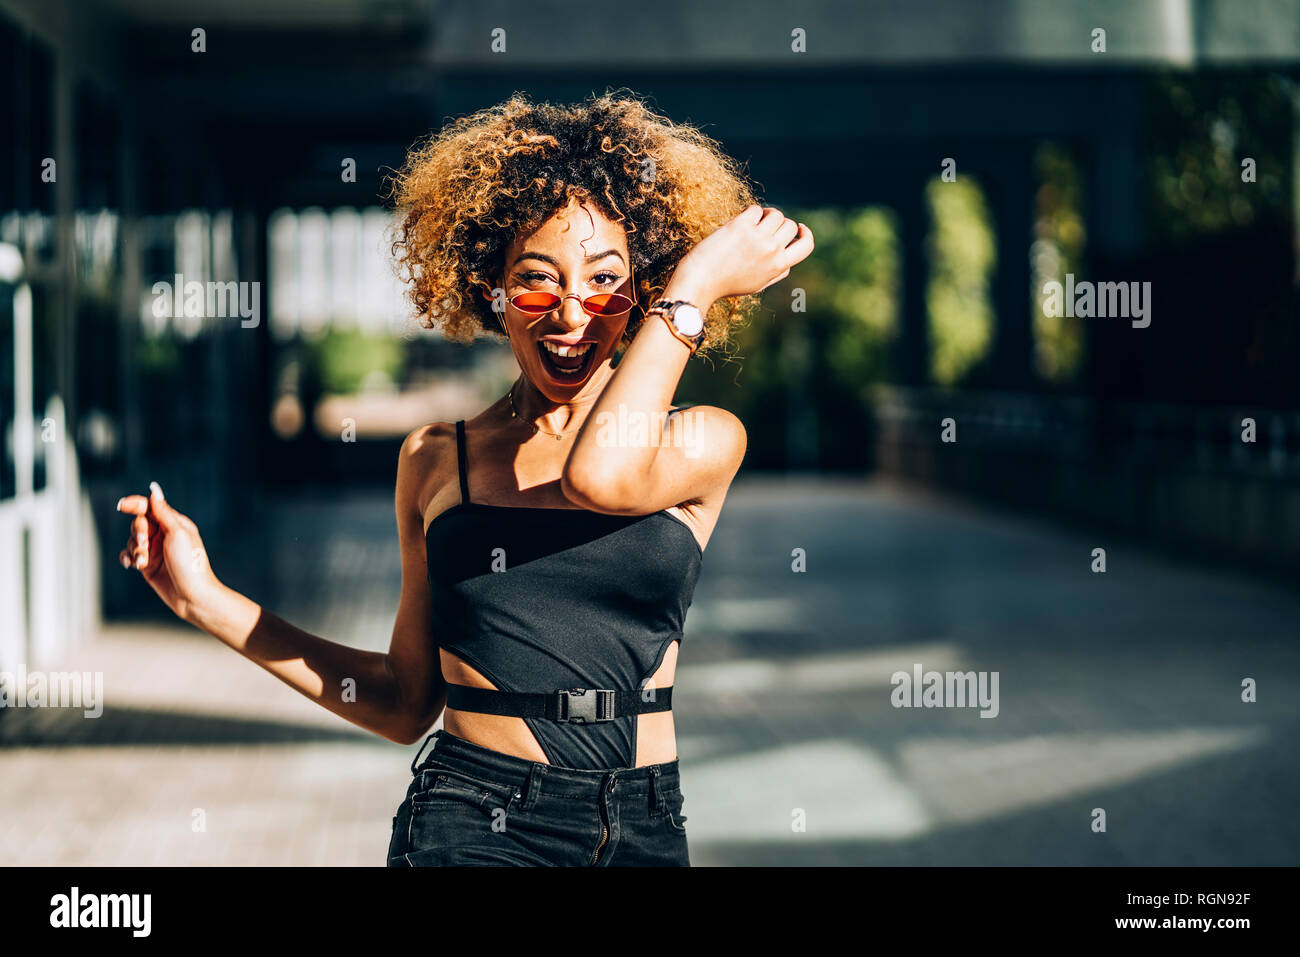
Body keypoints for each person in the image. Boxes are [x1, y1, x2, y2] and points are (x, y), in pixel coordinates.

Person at [115, 91, 813, 866]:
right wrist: (206, 598)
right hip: (476, 819)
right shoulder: (435, 458)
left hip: (645, 823)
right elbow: (403, 701)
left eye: (608, 283)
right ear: (493, 292)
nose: (572, 315)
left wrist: (697, 279)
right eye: (537, 283)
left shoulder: (703, 440)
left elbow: (601, 474)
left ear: (645, 295)